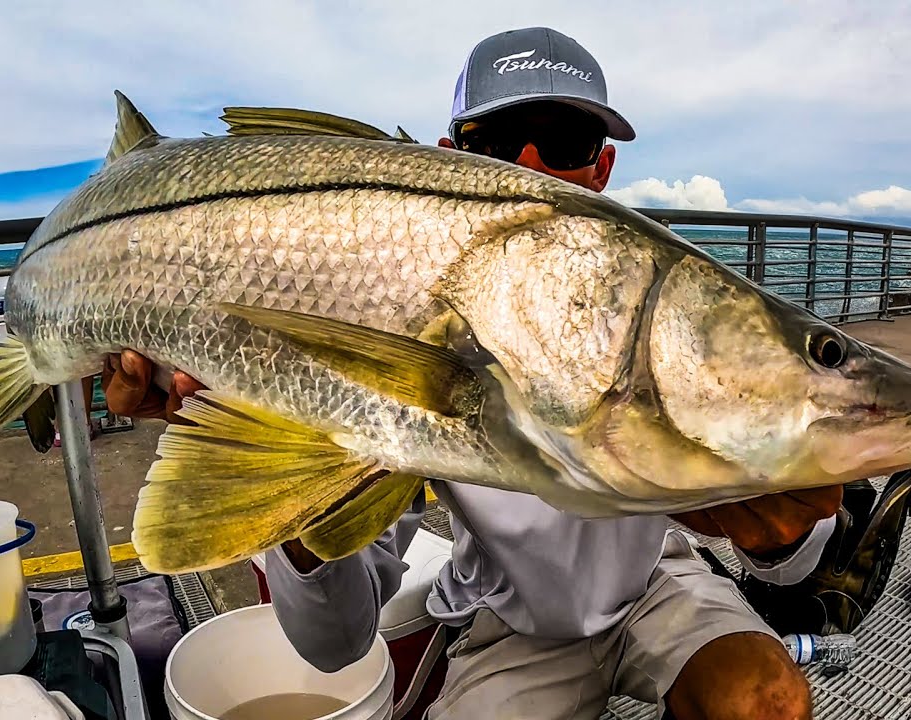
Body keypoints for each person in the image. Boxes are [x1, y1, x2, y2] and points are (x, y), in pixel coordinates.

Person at [103, 27, 840, 719]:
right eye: (487, 144)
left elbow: (788, 565)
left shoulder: (672, 300)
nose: (523, 168)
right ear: (441, 158)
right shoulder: (394, 298)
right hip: (509, 615)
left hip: (661, 584)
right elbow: (334, 644)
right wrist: (275, 466)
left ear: (601, 166)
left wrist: (778, 538)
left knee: (765, 699)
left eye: (562, 141)